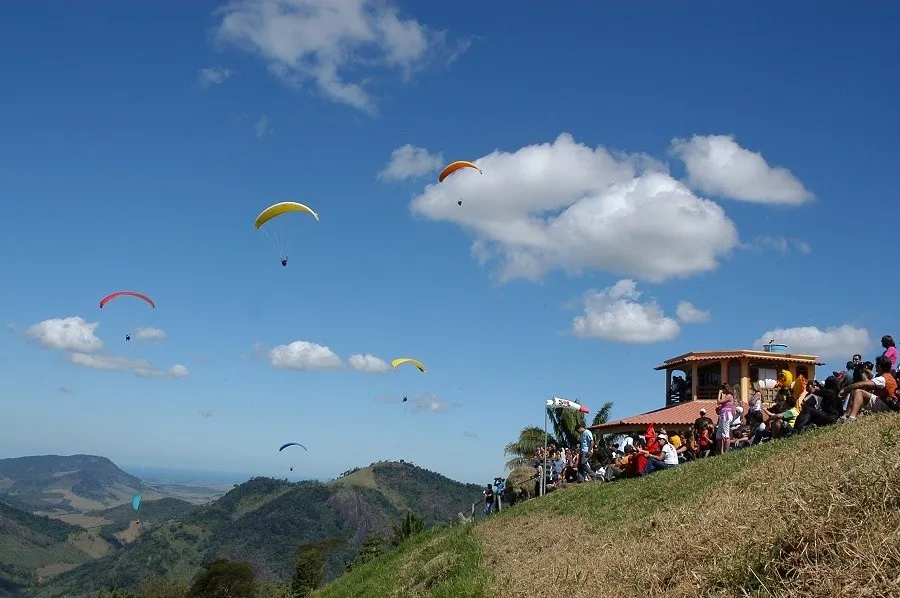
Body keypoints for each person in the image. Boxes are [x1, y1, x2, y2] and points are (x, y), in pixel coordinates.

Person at [838, 355, 898, 422]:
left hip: (887, 406)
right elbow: (866, 382)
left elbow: (860, 384)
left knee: (859, 392)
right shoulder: (887, 377)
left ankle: (852, 418)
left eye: (876, 365)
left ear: (879, 366)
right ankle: (845, 416)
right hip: (887, 403)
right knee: (854, 391)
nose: (875, 366)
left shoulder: (883, 378)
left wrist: (845, 390)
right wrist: (862, 371)